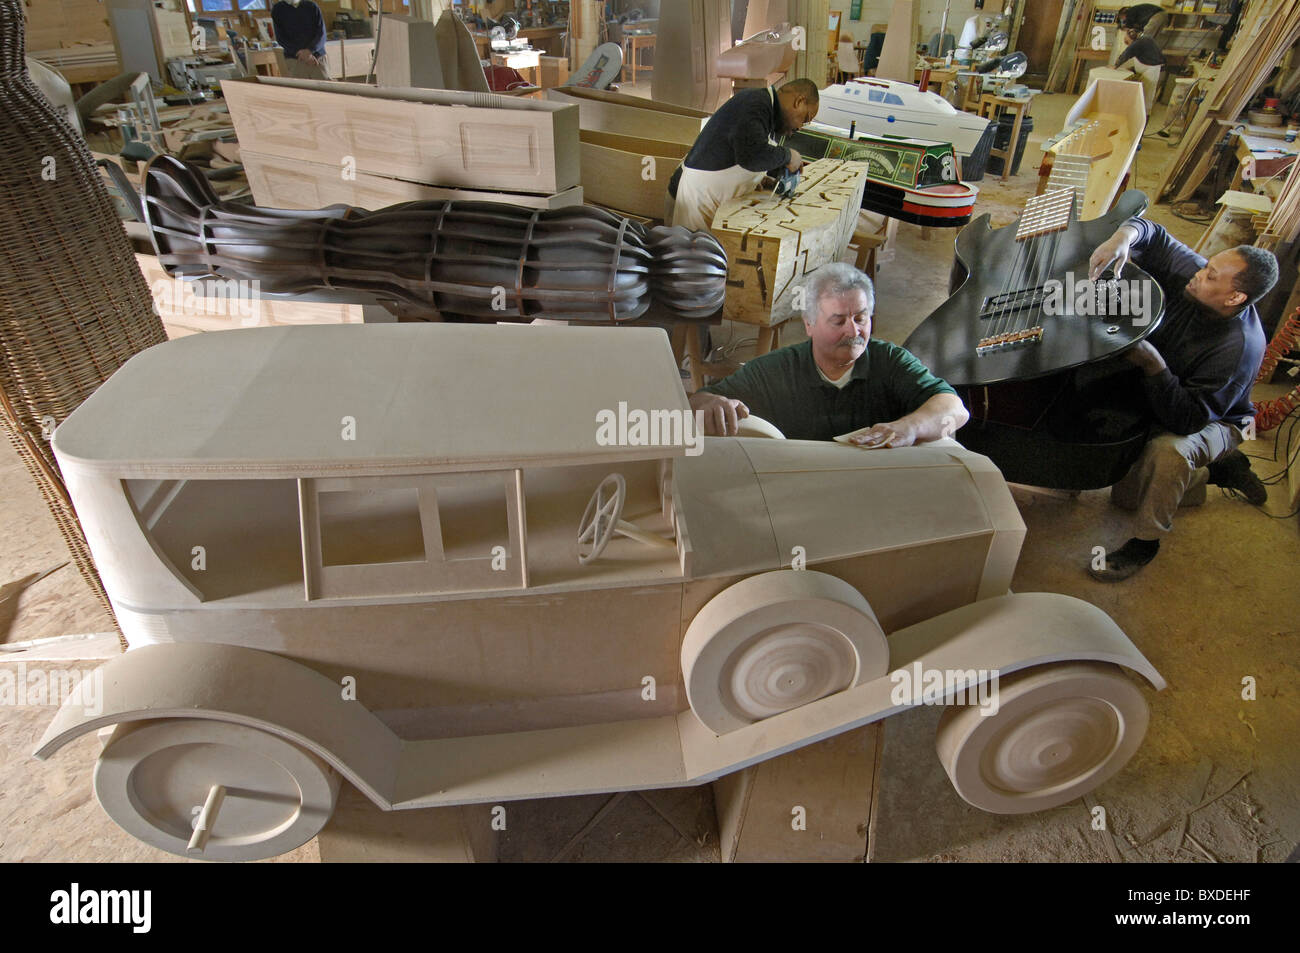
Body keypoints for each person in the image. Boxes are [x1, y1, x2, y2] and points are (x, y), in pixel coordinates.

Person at [1084, 220, 1276, 582]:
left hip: (1215, 419)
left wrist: (1151, 362)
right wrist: (1122, 239)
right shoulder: (1201, 280)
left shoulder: (1238, 349)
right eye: (1207, 266)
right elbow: (1153, 233)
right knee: (1124, 496)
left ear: (1235, 298)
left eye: (1211, 275)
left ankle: (1146, 543)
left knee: (1168, 452)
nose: (1200, 273)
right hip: (1175, 393)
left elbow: (1187, 419)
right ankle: (1221, 468)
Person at [688, 262, 969, 445]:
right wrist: (708, 403)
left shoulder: (890, 362)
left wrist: (909, 428)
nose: (853, 331)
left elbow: (955, 410)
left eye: (861, 318)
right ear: (809, 324)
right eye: (838, 321)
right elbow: (696, 402)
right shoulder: (775, 371)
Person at [667, 78, 820, 232]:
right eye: (805, 119)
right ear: (799, 101)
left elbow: (739, 152)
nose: (800, 127)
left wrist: (754, 180)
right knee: (693, 254)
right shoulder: (756, 104)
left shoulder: (765, 110)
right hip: (697, 203)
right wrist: (788, 155)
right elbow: (752, 156)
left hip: (707, 201)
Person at [271, 0, 330, 80]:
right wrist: (301, 53)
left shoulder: (312, 6)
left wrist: (309, 51)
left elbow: (322, 34)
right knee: (301, 91)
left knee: (324, 90)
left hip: (317, 58)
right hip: (295, 59)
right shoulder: (278, 9)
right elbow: (281, 38)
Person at [1115, 26, 1165, 111]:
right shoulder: (1144, 39)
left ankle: (1144, 113)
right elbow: (1145, 56)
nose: (1128, 44)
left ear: (1132, 37)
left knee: (1147, 93)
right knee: (1144, 91)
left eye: (1128, 42)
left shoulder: (1140, 42)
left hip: (1151, 69)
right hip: (1148, 67)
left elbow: (1126, 53)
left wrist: (1115, 66)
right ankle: (1138, 109)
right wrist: (1134, 69)